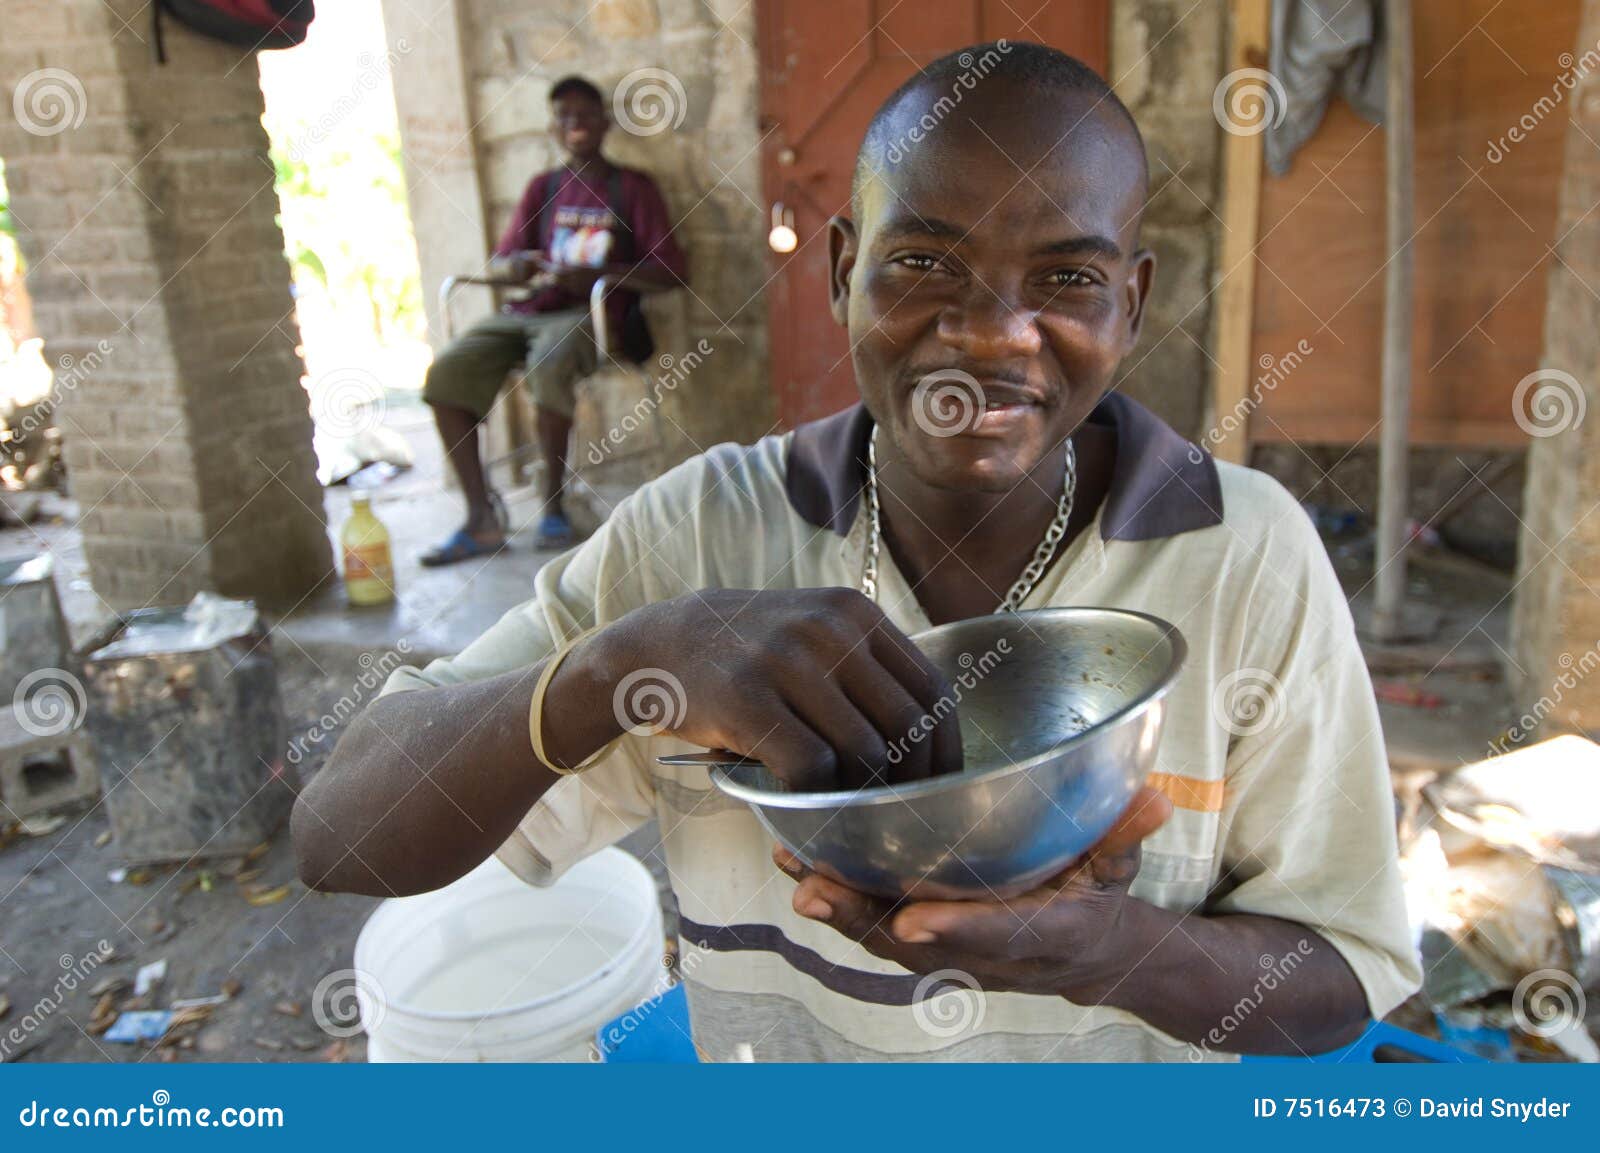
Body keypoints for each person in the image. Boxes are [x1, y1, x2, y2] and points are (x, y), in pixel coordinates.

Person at [296, 43, 1421, 1061]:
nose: (991, 332)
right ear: (843, 271)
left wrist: (1112, 953)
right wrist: (624, 664)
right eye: (924, 262)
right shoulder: (699, 536)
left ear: (1132, 303)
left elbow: (1341, 981)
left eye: (1068, 280)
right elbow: (340, 831)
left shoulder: (1245, 553)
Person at [419, 75, 687, 562]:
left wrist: (598, 275)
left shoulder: (631, 188)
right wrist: (517, 267)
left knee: (549, 363)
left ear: (604, 123)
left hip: (593, 317)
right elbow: (505, 261)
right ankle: (481, 518)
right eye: (564, 116)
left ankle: (553, 507)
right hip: (529, 312)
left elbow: (671, 272)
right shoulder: (543, 189)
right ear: (553, 128)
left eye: (585, 115)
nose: (574, 124)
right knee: (446, 373)